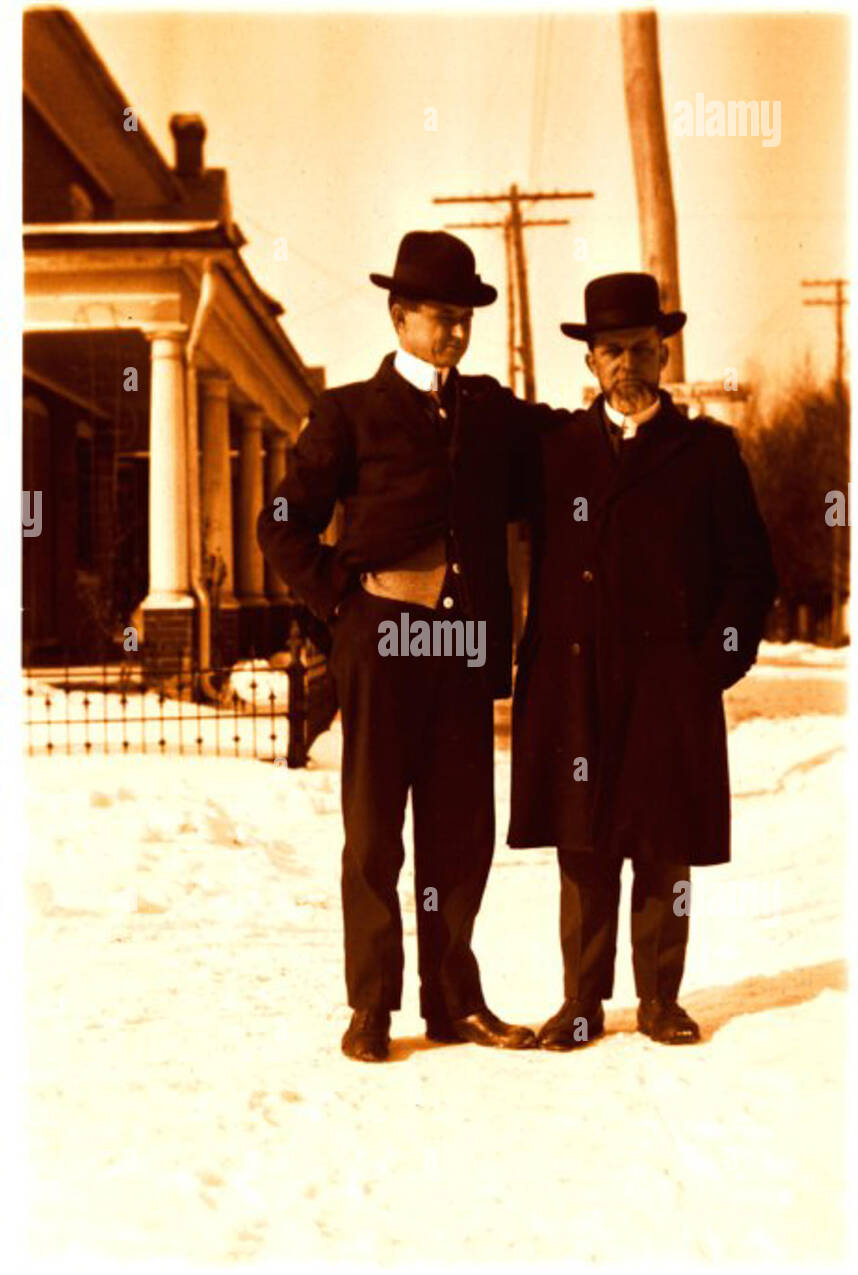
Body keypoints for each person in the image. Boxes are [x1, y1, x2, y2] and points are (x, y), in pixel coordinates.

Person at [258, 230, 567, 1062]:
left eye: (464, 317)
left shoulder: (491, 412)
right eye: (438, 315)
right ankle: (370, 1008)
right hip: (380, 633)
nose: (454, 331)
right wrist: (339, 607)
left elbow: (570, 446)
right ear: (398, 315)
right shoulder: (348, 412)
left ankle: (453, 1000)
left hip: (461, 640)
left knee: (460, 829)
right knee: (372, 831)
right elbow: (281, 524)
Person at [508, 272, 777, 1049]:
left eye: (636, 349)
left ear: (662, 353)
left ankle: (660, 999)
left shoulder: (706, 453)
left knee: (664, 845)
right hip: (574, 683)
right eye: (607, 352)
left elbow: (748, 573)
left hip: (669, 686)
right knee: (582, 844)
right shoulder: (555, 453)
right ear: (589, 364)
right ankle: (582, 1004)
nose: (623, 365)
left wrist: (710, 665)